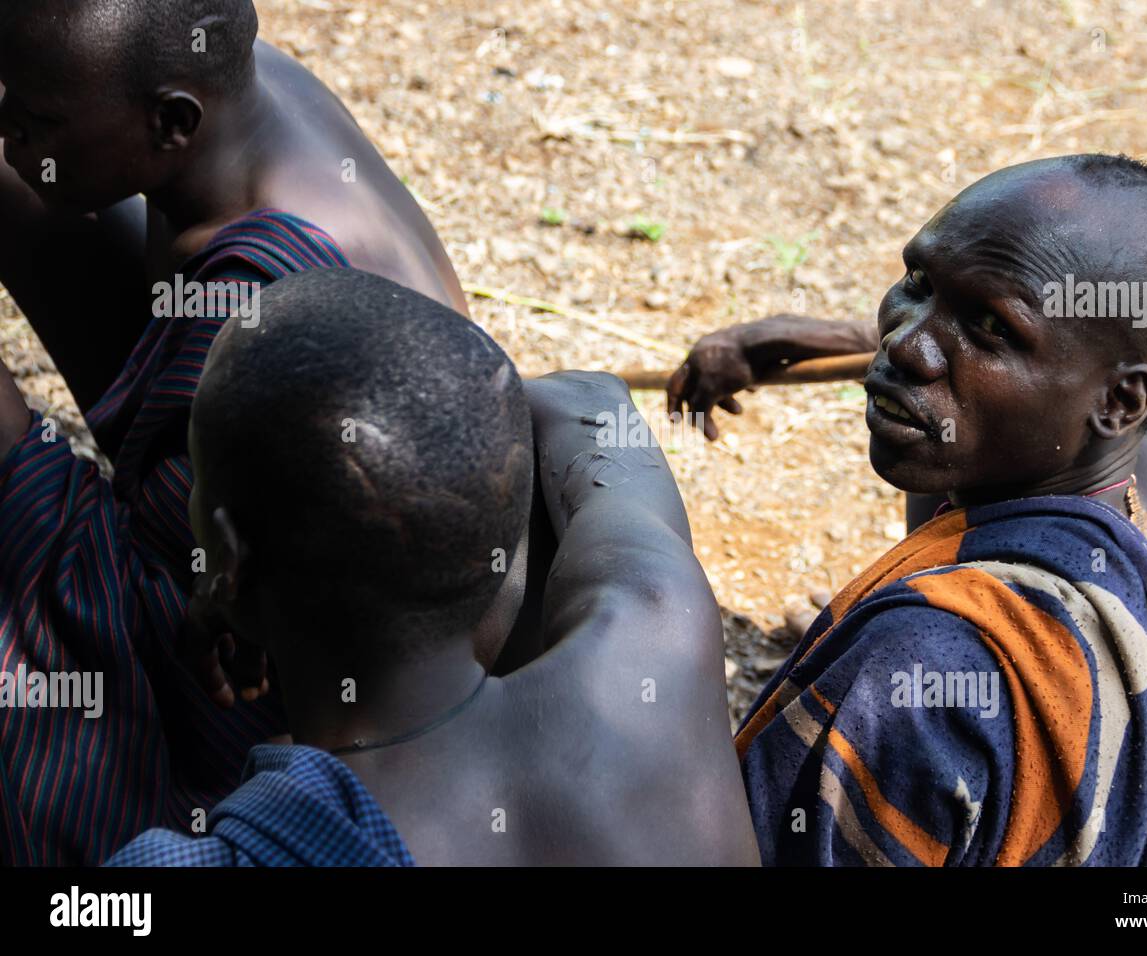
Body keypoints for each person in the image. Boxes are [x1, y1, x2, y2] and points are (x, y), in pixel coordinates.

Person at [0, 0, 466, 864]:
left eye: (34, 122)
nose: (11, 133)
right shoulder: (231, 83)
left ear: (172, 121)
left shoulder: (277, 289)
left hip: (300, 653)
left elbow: (252, 606)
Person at [728, 155, 1147, 865]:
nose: (903, 343)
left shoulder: (913, 676)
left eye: (992, 326)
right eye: (918, 284)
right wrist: (818, 335)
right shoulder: (1077, 435)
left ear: (1120, 401)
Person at [106, 269, 759, 866]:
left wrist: (226, 582)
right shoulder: (658, 628)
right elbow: (589, 397)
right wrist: (446, 430)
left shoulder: (256, 853)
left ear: (228, 556)